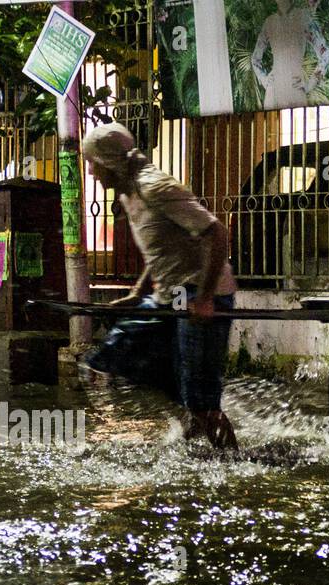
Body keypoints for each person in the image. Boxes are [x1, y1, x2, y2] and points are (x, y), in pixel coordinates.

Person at [83, 122, 239, 452]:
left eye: (93, 162)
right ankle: (194, 451)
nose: (91, 171)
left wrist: (207, 299)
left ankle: (234, 464)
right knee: (113, 354)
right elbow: (161, 250)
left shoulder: (154, 188)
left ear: (109, 162)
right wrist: (137, 295)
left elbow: (217, 234)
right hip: (169, 295)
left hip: (199, 294)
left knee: (200, 398)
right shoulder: (128, 193)